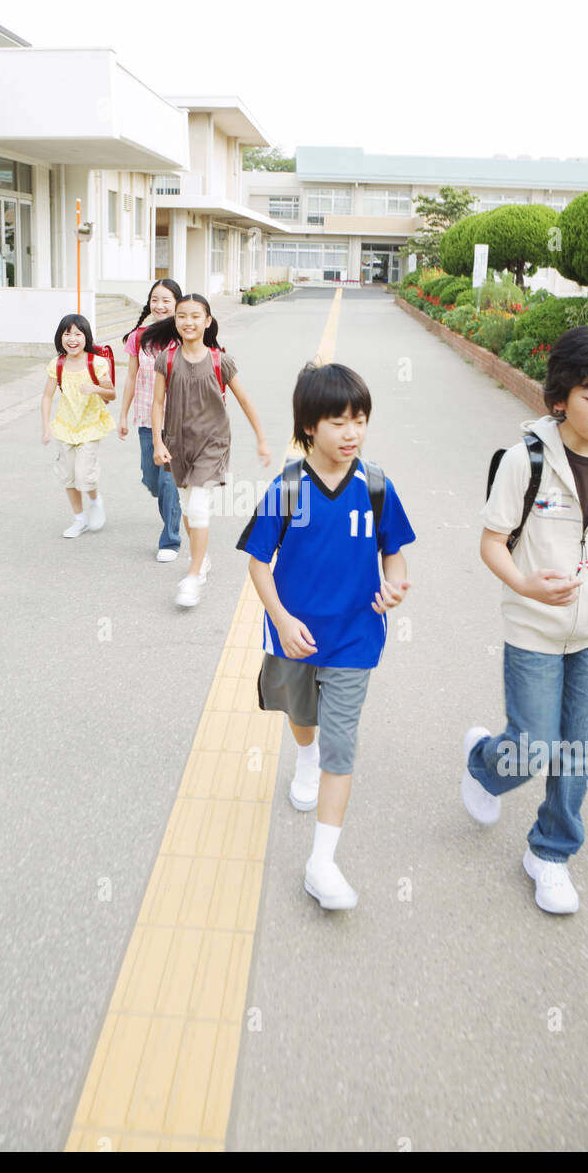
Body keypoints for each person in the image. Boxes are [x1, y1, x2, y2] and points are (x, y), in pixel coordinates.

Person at [462, 325, 588, 914]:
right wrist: (525, 584)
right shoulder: (526, 460)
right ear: (561, 397)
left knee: (580, 750)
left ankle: (550, 853)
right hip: (533, 627)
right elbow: (492, 542)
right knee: (532, 744)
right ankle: (482, 764)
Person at [237, 362, 415, 911]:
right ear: (309, 425)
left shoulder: (376, 484)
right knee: (301, 718)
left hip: (356, 639)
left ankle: (322, 862)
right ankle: (304, 756)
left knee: (342, 740)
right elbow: (258, 564)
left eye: (359, 420)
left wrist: (396, 586)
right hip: (295, 637)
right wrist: (282, 620)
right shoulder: (289, 486)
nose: (352, 433)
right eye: (338, 421)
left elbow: (396, 555)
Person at [151, 292, 271, 607]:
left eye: (195, 316)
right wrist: (157, 442)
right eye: (181, 316)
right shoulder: (167, 359)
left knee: (199, 505)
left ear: (207, 322)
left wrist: (261, 438)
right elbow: (157, 403)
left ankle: (192, 575)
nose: (188, 322)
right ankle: (200, 558)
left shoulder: (220, 360)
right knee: (189, 507)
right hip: (178, 445)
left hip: (213, 445)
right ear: (174, 321)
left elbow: (245, 400)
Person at [117, 279, 183, 561]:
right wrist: (122, 414)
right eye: (155, 299)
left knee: (170, 482)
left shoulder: (185, 335)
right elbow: (131, 377)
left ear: (177, 304)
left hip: (180, 422)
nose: (160, 305)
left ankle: (170, 540)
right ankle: (171, 505)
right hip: (147, 419)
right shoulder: (138, 337)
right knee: (153, 480)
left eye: (166, 300)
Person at [41, 314, 116, 538]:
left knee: (85, 474)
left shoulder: (97, 363)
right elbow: (47, 397)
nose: (72, 339)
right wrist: (46, 426)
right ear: (60, 337)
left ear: (86, 337)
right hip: (65, 426)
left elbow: (111, 394)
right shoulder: (58, 364)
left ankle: (94, 500)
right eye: (67, 334)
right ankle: (79, 519)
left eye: (77, 334)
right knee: (69, 476)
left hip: (90, 425)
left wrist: (96, 389)